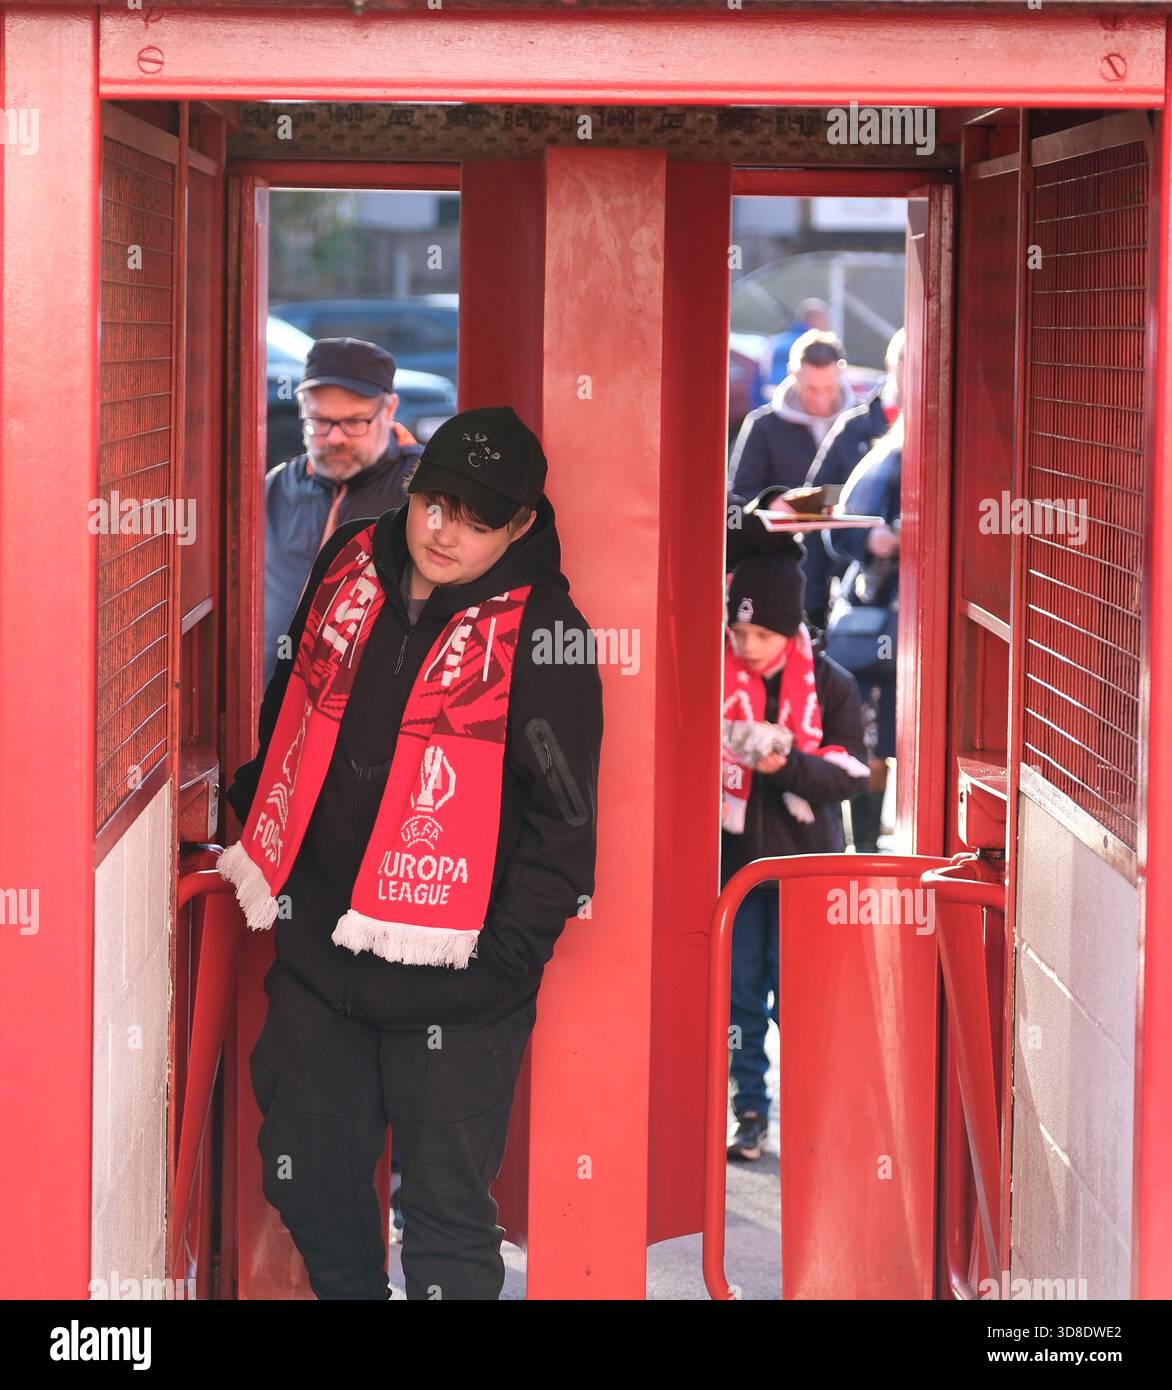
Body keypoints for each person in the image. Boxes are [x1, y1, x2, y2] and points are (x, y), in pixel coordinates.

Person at [220, 405, 604, 1300]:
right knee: (302, 1169)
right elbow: (292, 700)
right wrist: (255, 816)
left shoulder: (544, 632)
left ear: (519, 527)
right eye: (436, 502)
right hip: (321, 954)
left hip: (459, 980)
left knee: (445, 1217)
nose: (444, 531)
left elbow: (566, 822)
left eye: (476, 520)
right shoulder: (351, 560)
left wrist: (503, 964)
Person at [721, 545, 869, 1162]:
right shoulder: (718, 677)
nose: (747, 645)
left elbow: (853, 773)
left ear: (789, 629)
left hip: (805, 863)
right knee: (739, 995)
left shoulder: (832, 684)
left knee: (801, 995)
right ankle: (750, 1111)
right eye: (737, 630)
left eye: (761, 633)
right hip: (735, 868)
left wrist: (786, 767)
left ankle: (814, 1113)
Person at [263, 336, 425, 684]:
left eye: (353, 422)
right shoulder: (278, 486)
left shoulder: (425, 487)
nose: (334, 439)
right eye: (320, 421)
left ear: (390, 410)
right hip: (274, 698)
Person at [802, 327, 905, 629]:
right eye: (907, 361)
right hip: (861, 595)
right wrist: (813, 609)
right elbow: (818, 505)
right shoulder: (855, 428)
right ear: (892, 364)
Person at [728, 329, 854, 502]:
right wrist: (772, 503)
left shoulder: (861, 422)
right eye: (812, 388)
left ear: (841, 374)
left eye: (829, 388)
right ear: (793, 374)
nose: (821, 399)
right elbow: (740, 494)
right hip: (782, 528)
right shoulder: (763, 426)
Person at [758, 297, 831, 397]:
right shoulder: (816, 345)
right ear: (815, 319)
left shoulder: (775, 341)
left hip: (769, 400)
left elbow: (760, 378)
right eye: (824, 319)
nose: (827, 324)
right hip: (797, 402)